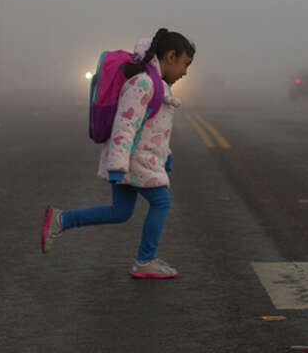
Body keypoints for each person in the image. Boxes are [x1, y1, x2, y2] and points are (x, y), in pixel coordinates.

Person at [42, 28, 195, 278]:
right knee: (161, 202)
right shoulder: (143, 83)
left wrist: (166, 155)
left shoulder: (157, 84)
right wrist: (117, 165)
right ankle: (145, 260)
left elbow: (154, 129)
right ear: (170, 56)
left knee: (120, 211)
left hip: (135, 159)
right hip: (133, 160)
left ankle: (62, 220)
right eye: (185, 64)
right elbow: (125, 125)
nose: (185, 72)